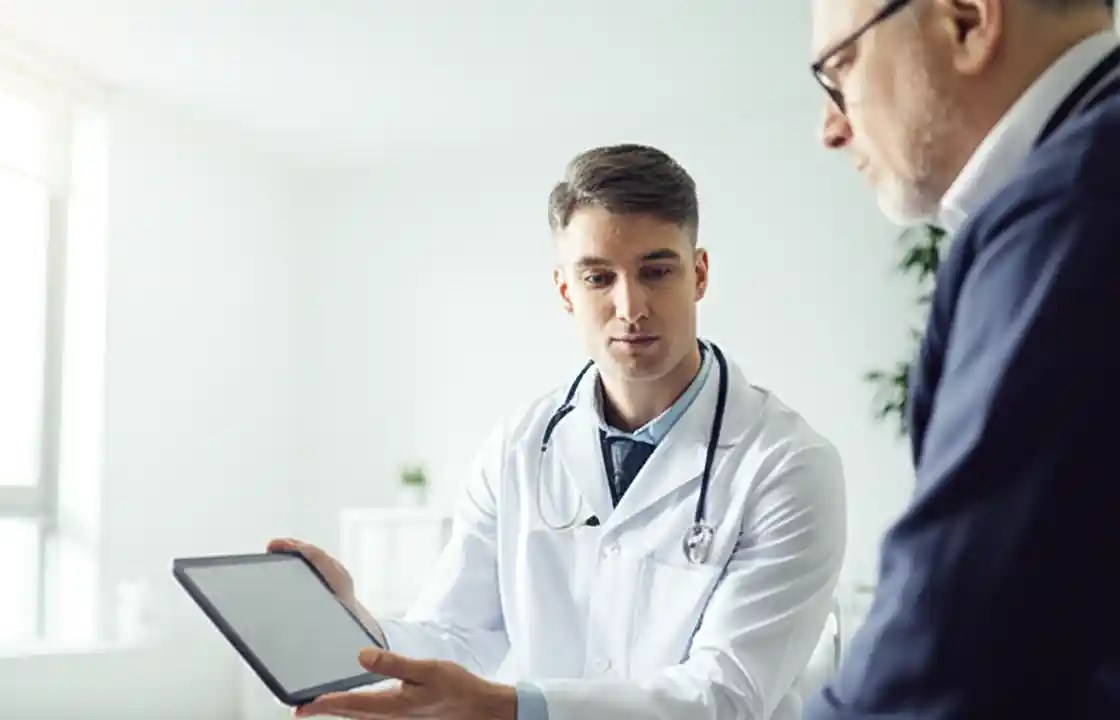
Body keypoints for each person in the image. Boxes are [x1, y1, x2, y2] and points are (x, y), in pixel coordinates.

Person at [271, 143, 847, 720]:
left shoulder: (788, 465)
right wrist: (355, 623)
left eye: (656, 270)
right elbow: (456, 635)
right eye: (599, 276)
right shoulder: (517, 448)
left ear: (697, 275)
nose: (631, 306)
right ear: (566, 291)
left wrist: (513, 707)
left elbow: (725, 697)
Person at [806, 0, 1119, 717]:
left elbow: (948, 639)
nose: (831, 128)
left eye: (840, 69)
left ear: (968, 20)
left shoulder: (1071, 207)